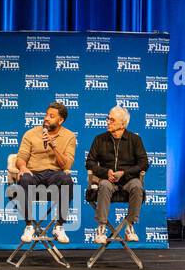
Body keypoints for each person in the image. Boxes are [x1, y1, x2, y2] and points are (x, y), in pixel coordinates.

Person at [84, 106, 149, 244]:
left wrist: (125, 173)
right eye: (108, 118)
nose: (108, 122)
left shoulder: (135, 140)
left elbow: (144, 164)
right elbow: (90, 162)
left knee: (137, 186)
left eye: (112, 120)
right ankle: (101, 227)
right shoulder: (99, 139)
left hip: (128, 180)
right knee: (104, 185)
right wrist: (105, 172)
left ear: (123, 124)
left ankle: (130, 226)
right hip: (107, 180)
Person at [15, 102, 77, 244]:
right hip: (34, 173)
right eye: (46, 115)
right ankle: (29, 225)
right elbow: (21, 158)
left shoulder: (69, 136)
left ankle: (59, 226)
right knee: (24, 179)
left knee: (66, 179)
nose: (46, 118)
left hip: (55, 174)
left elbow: (66, 165)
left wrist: (53, 146)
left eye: (51, 116)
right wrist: (23, 167)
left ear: (60, 120)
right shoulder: (31, 133)